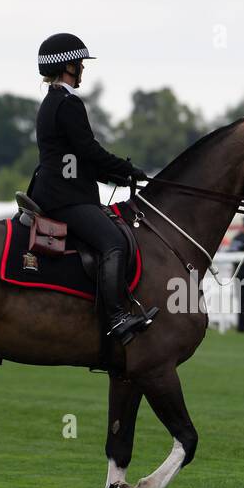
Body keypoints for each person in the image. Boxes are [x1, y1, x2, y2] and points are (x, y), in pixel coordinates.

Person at [29, 33, 151, 345]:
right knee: (114, 243)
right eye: (80, 63)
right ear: (68, 64)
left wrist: (115, 179)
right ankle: (116, 318)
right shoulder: (68, 103)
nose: (83, 68)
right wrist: (126, 168)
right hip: (65, 196)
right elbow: (89, 150)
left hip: (58, 189)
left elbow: (77, 158)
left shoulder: (52, 101)